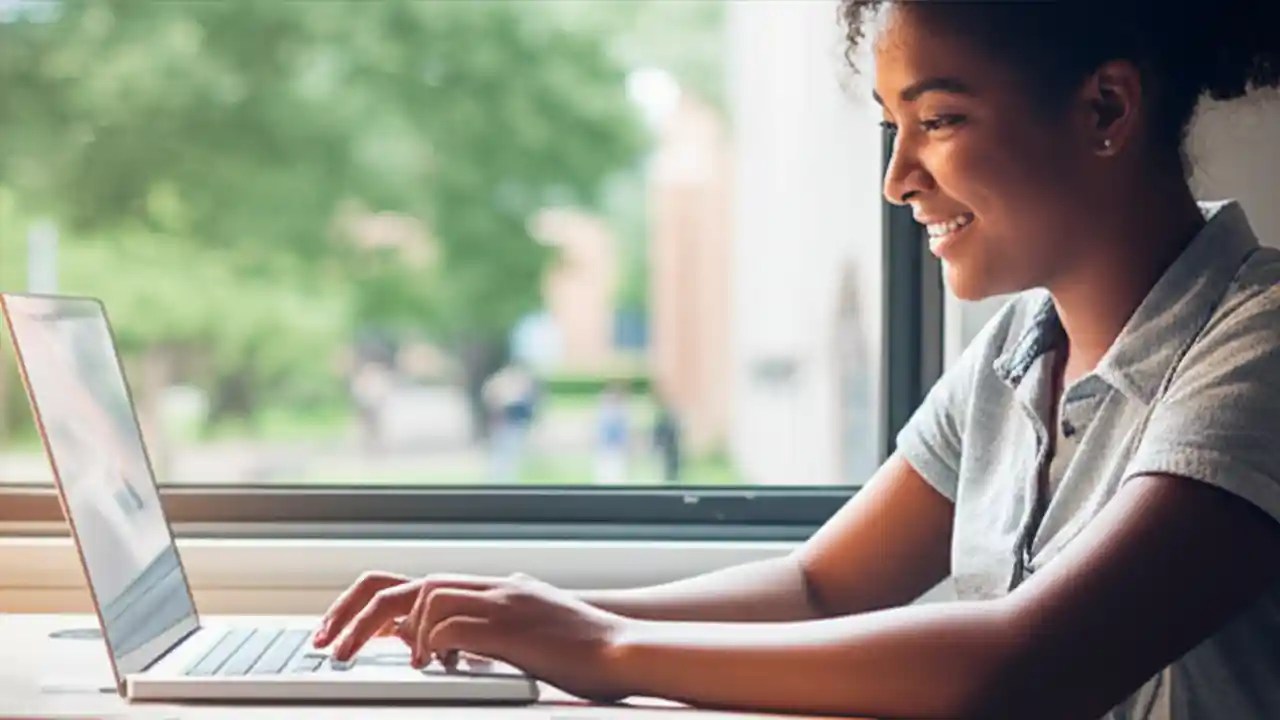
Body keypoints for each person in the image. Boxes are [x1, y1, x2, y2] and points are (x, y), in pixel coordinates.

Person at [312, 3, 1280, 717]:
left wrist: (606, 647)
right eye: (888, 129)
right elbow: (821, 587)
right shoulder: (1014, 353)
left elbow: (1021, 664)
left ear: (1106, 109)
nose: (897, 179)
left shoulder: (1259, 342)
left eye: (936, 121)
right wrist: (534, 611)